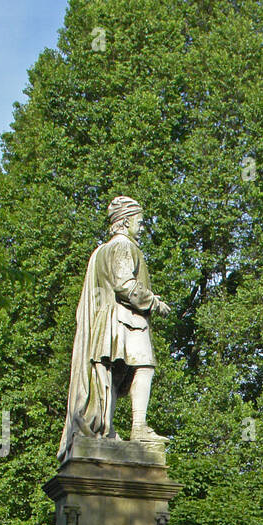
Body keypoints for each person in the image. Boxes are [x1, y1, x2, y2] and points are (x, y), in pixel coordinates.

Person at [58, 196, 171, 461]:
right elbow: (124, 285)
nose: (141, 227)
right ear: (125, 221)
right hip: (124, 319)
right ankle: (139, 427)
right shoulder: (122, 246)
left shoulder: (100, 251)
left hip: (106, 322)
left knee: (112, 376)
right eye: (139, 222)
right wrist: (154, 302)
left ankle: (105, 431)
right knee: (143, 366)